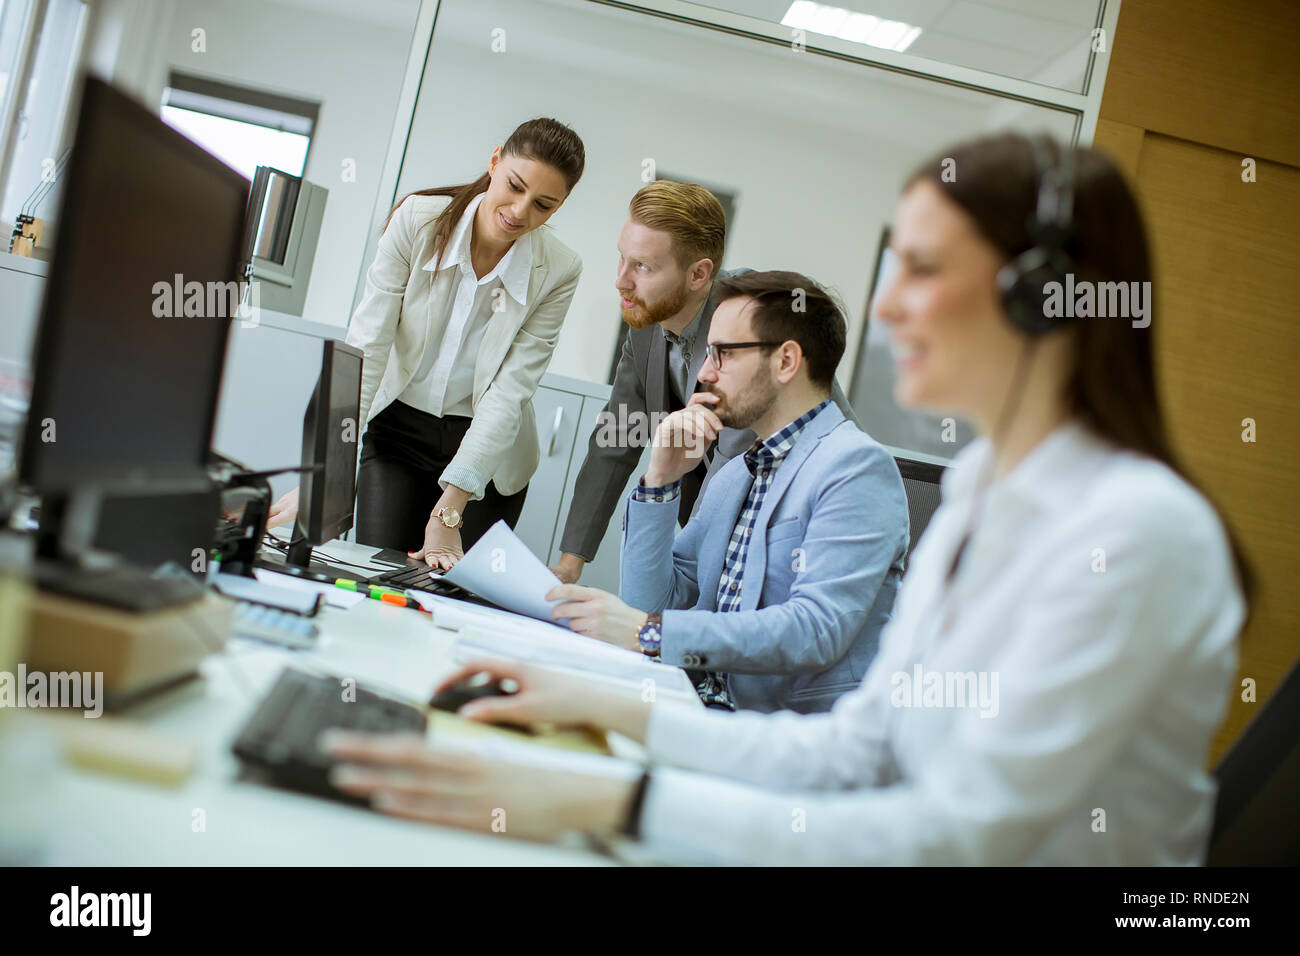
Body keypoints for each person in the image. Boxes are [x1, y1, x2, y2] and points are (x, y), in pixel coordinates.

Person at [319, 132, 1253, 865]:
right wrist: (605, 708)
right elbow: (860, 753)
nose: (886, 310)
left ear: (1039, 298)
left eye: (922, 271)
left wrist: (610, 796)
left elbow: (959, 837)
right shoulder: (979, 494)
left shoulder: (1135, 531)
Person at [537, 270, 907, 712]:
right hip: (695, 705)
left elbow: (815, 630)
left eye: (724, 354)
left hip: (785, 733)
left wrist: (650, 632)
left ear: (787, 361)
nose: (705, 373)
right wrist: (661, 480)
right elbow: (652, 603)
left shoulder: (855, 467)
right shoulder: (735, 475)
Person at [267, 118, 585, 570]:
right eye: (514, 186)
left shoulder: (559, 269)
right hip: (398, 431)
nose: (519, 211)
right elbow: (366, 349)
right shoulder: (418, 220)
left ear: (560, 205)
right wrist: (325, 476)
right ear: (495, 162)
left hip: (485, 452)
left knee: (456, 594)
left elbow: (510, 391)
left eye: (543, 205)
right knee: (381, 572)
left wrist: (451, 507)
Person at [549, 180, 861, 585]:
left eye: (642, 266)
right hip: (721, 532)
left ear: (699, 274)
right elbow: (617, 437)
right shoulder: (647, 323)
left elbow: (732, 467)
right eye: (622, 260)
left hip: (797, 531)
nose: (621, 281)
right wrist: (568, 565)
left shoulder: (748, 321)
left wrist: (680, 583)